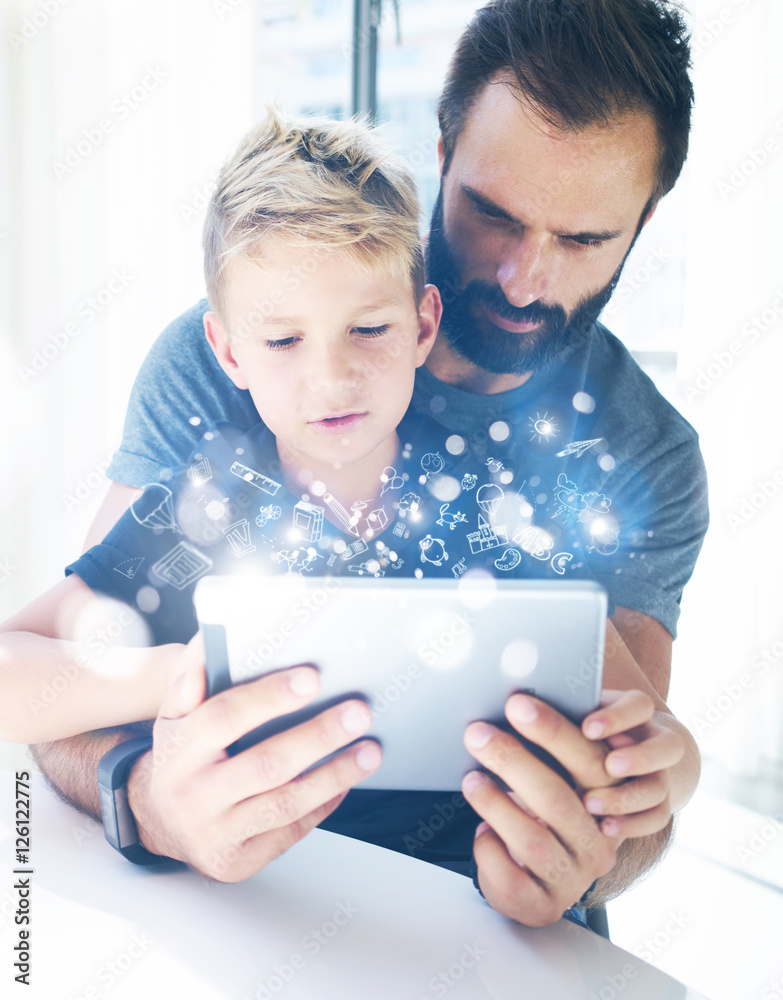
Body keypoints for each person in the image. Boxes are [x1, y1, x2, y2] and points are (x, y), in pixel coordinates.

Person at [4, 0, 708, 928]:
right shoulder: (217, 467)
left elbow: (632, 748)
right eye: (493, 214)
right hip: (265, 914)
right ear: (445, 151)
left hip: (482, 937)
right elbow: (54, 694)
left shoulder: (541, 487)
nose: (523, 278)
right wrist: (149, 797)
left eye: (582, 238)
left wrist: (607, 839)